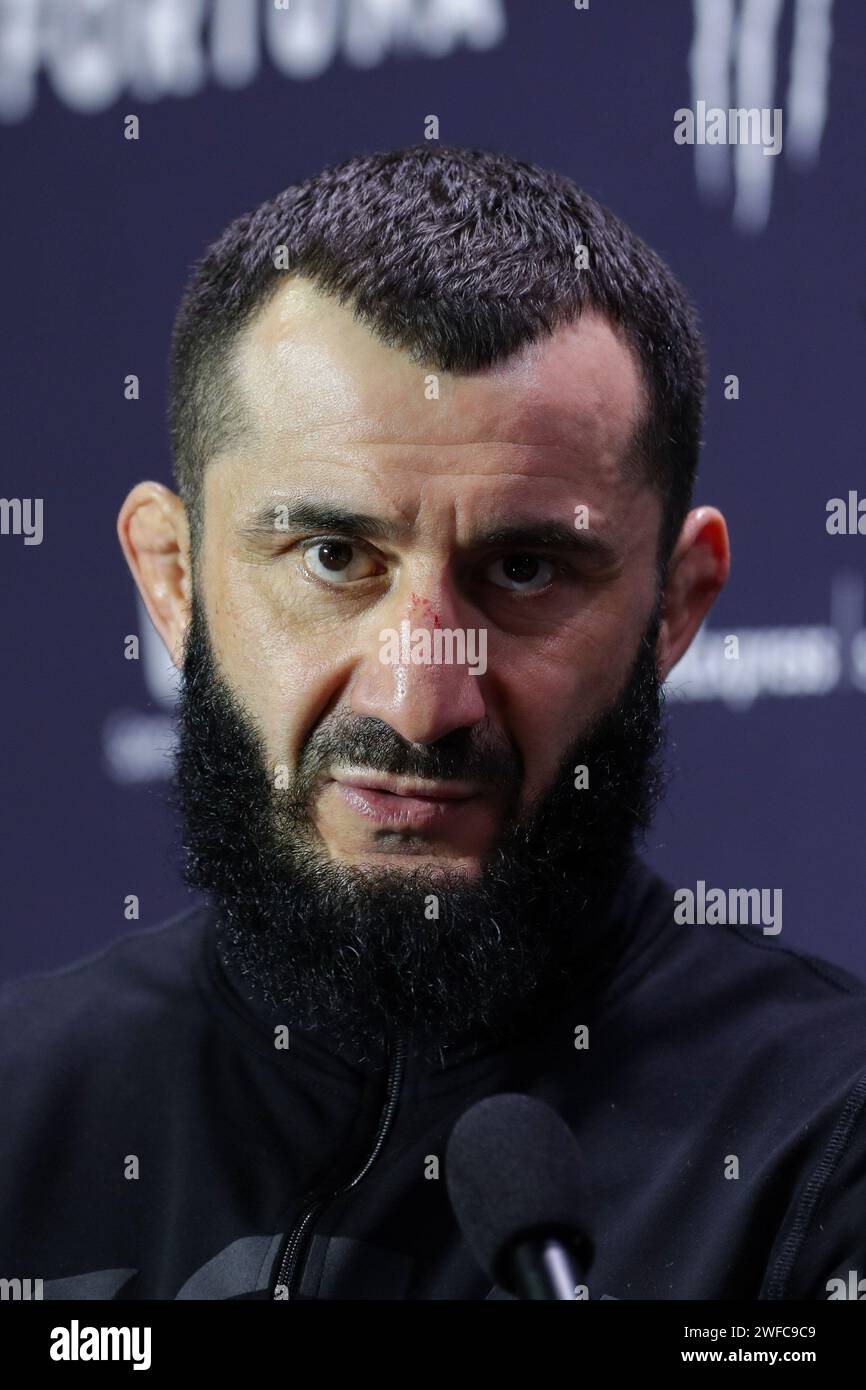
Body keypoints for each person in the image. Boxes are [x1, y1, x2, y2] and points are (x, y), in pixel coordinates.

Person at [1, 144, 863, 1301]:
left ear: (674, 605)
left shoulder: (826, 1142)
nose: (419, 700)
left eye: (522, 568)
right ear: (172, 578)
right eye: (332, 556)